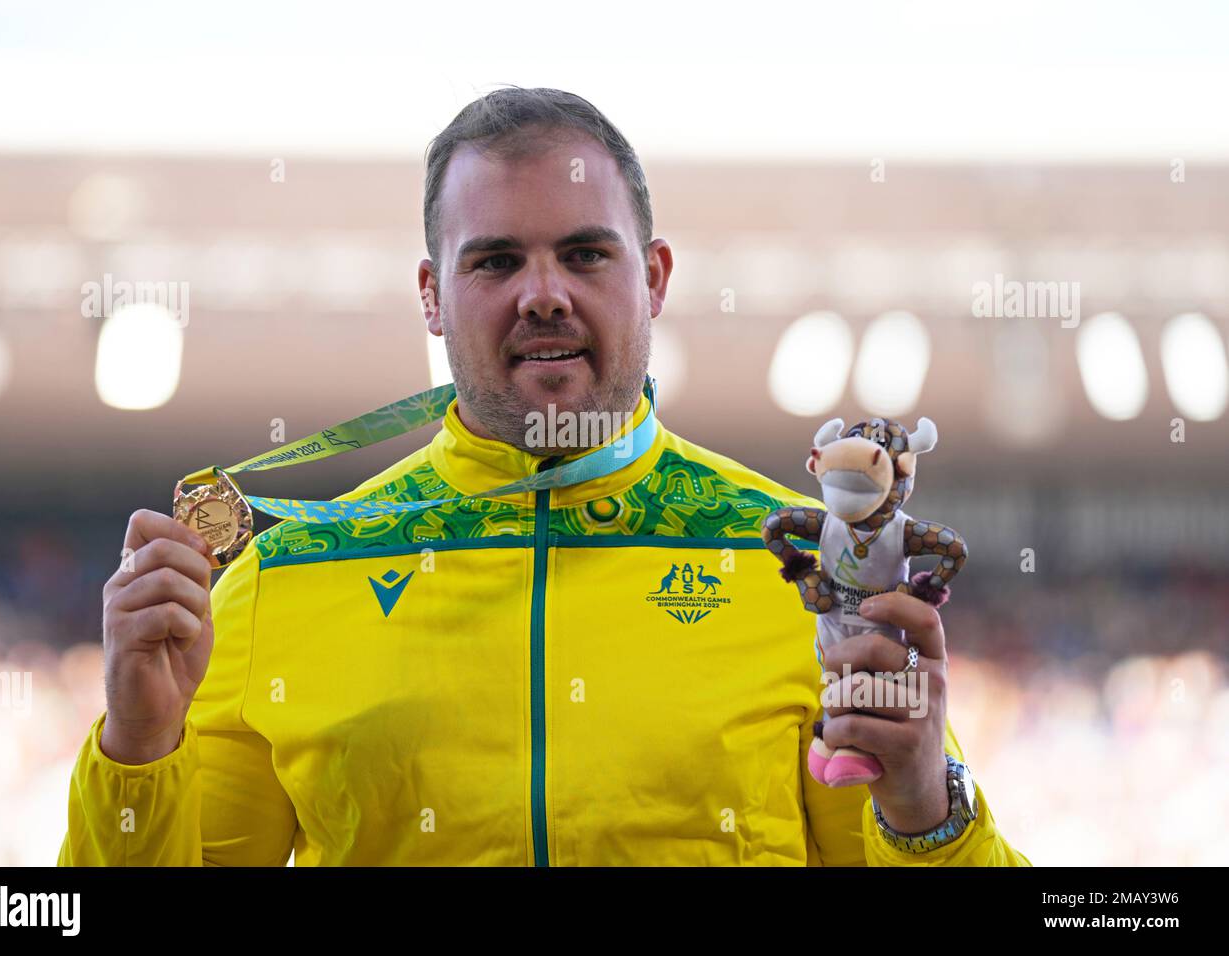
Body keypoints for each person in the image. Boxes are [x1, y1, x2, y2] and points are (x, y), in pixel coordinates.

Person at [58, 86, 1029, 866]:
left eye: (582, 252)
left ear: (652, 278)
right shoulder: (287, 578)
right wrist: (137, 749)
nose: (543, 293)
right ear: (432, 296)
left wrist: (923, 809)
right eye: (494, 261)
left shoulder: (800, 567)